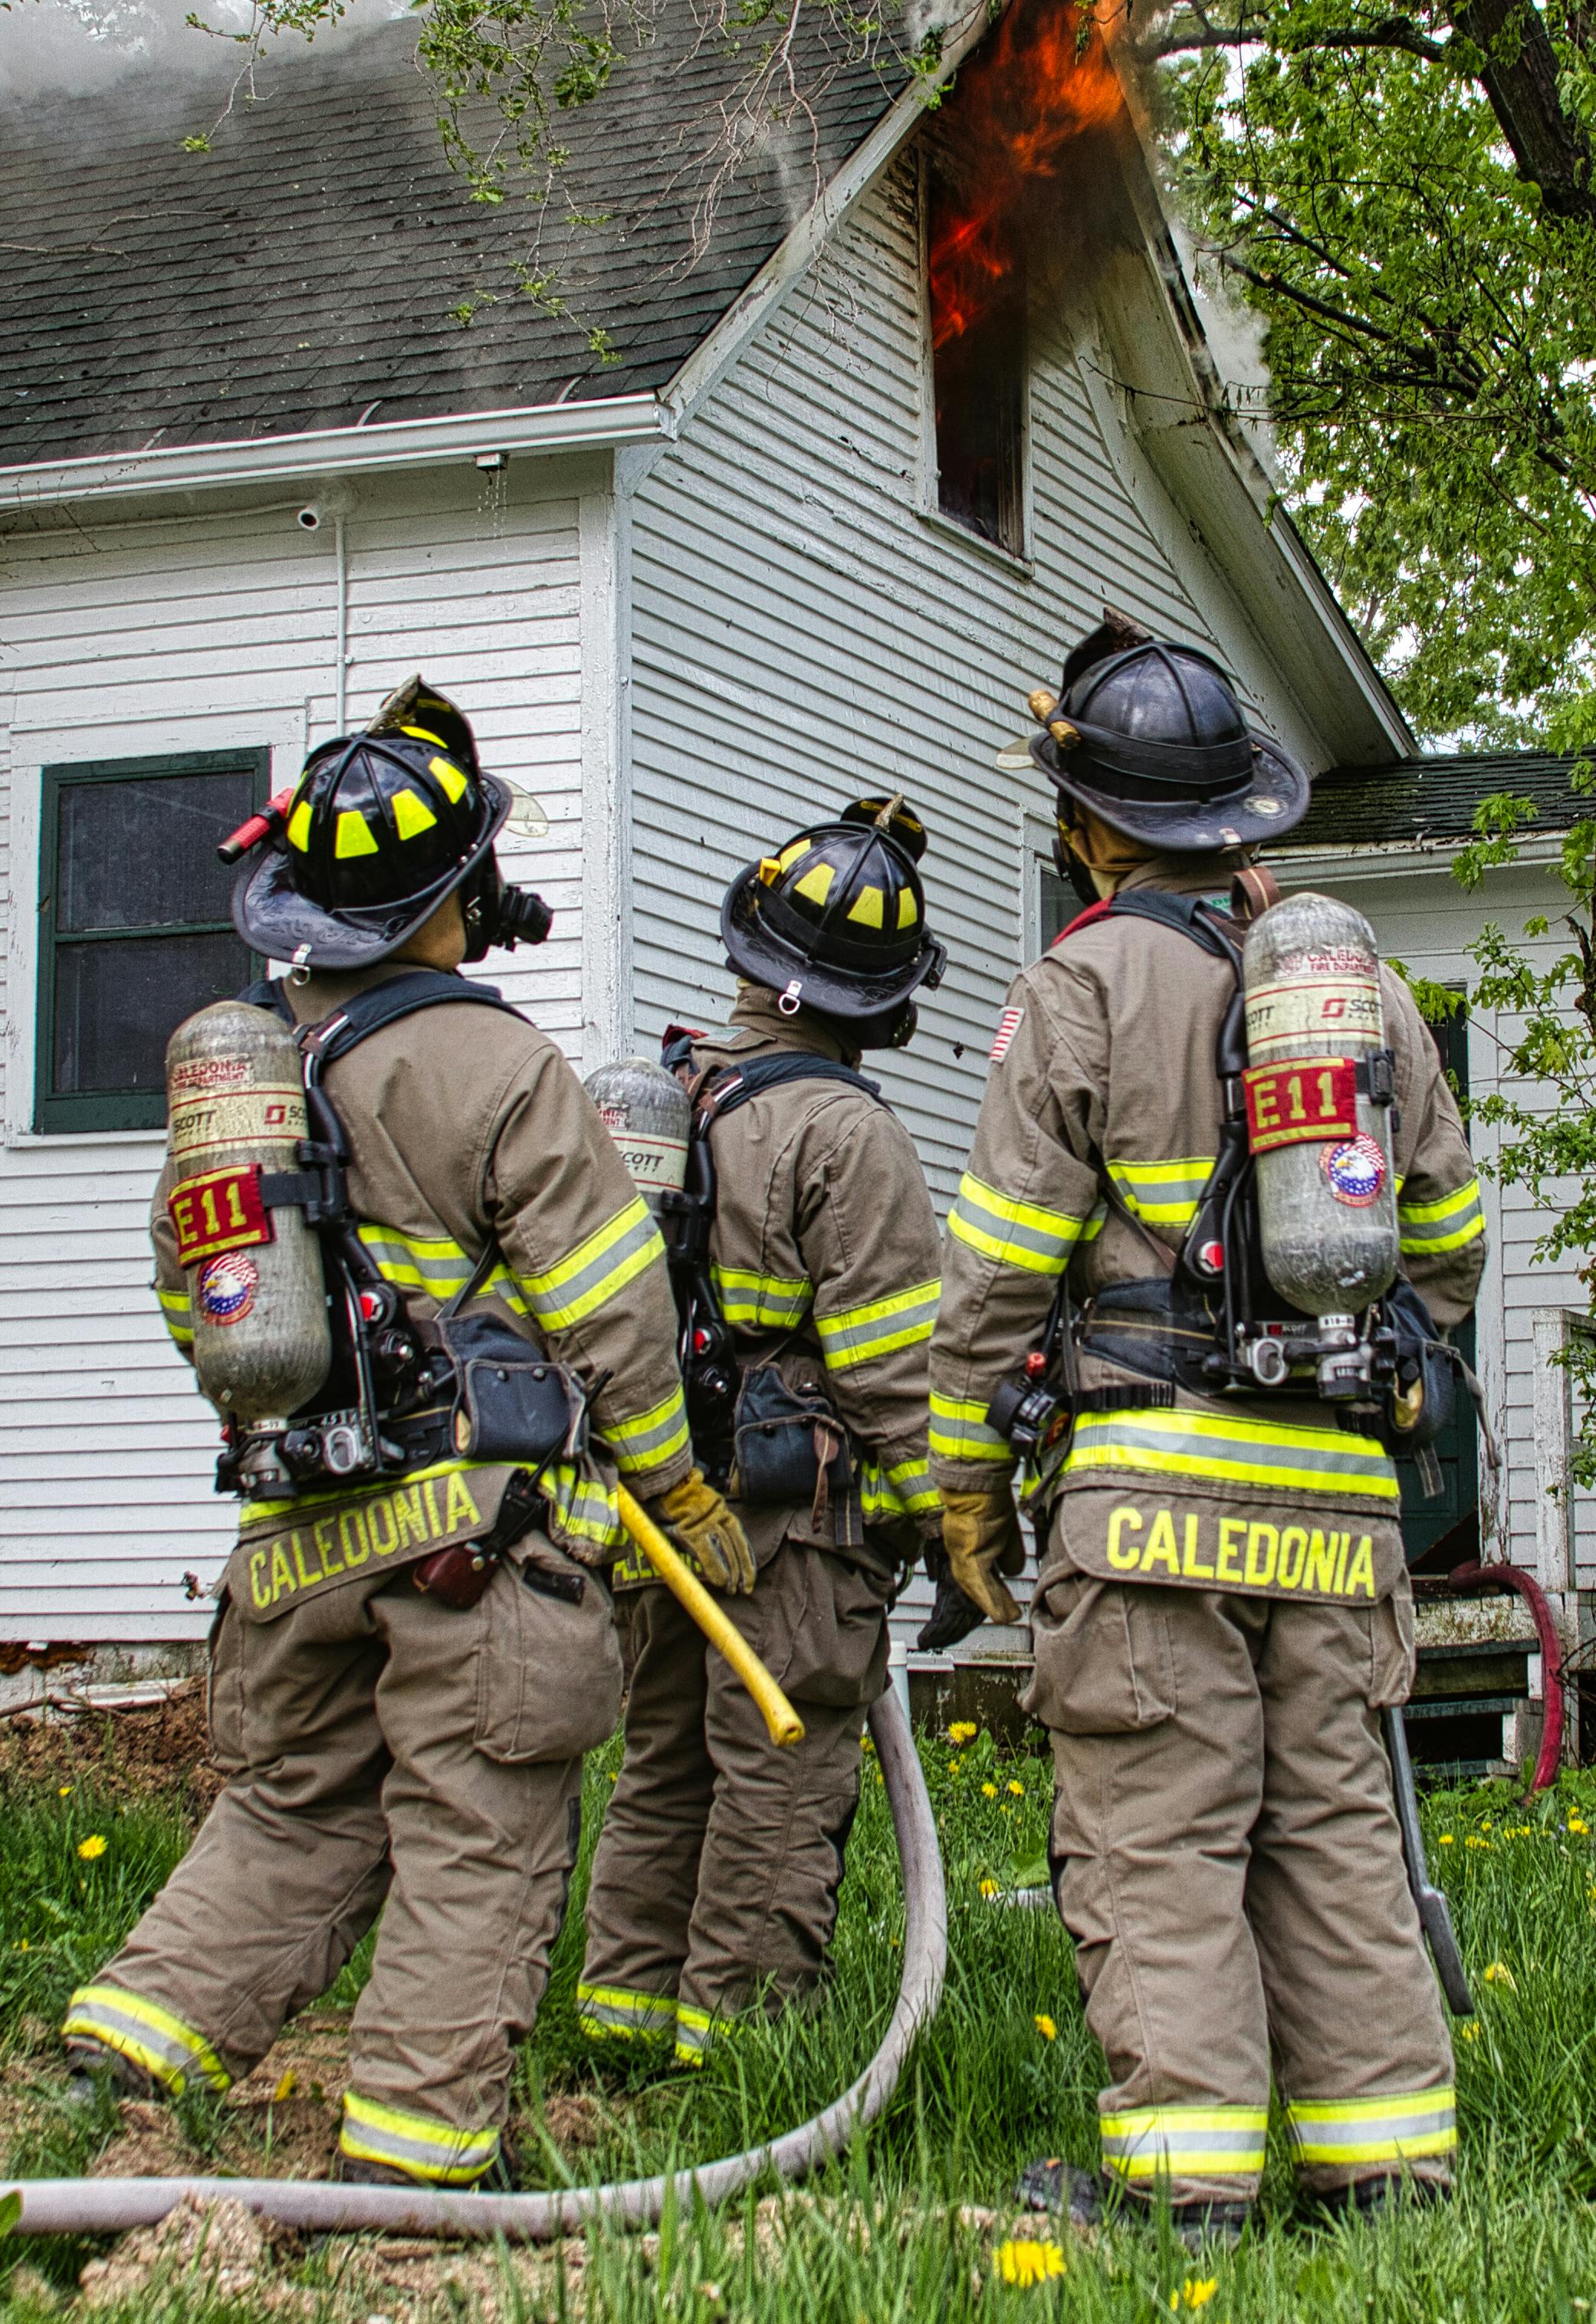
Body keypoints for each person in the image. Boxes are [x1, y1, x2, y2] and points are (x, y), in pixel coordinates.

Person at [61, 680, 749, 2188]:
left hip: (297, 1536)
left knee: (295, 1804)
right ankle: (423, 2155)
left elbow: (205, 1319)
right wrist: (675, 1483)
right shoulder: (496, 1070)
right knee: (473, 1823)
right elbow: (611, 1305)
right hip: (480, 1551)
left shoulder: (247, 1089)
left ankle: (109, 2060)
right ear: (457, 900)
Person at [930, 615, 1487, 2240]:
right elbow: (1444, 1238)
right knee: (1334, 1828)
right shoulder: (1360, 986)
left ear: (1090, 825)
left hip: (1147, 1508)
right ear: (1241, 811)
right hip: (1336, 1512)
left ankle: (1186, 2187)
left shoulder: (1081, 985)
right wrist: (1367, 1387)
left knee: (1160, 1837)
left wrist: (968, 1474)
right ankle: (1384, 2167)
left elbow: (998, 1272)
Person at [577, 796, 954, 2066]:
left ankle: (620, 2018)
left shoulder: (679, 1096)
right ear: (885, 1001)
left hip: (671, 1501)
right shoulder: (844, 1131)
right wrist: (946, 1523)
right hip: (794, 1525)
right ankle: (737, 2049)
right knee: (775, 1777)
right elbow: (891, 1369)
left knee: (666, 1760)